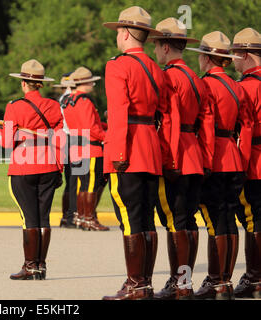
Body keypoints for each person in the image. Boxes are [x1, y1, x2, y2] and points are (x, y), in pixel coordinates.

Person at [101, 6, 173, 300]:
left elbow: (118, 112)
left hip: (127, 146)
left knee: (130, 219)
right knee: (146, 219)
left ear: (128, 33)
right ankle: (144, 282)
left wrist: (117, 151)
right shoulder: (157, 68)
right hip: (150, 147)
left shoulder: (117, 65)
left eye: (119, 30)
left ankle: (136, 285)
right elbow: (164, 113)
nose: (117, 35)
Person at [150, 17, 215, 299]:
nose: (154, 51)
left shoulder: (167, 77)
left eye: (156, 45)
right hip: (195, 154)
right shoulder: (198, 81)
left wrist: (169, 159)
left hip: (176, 153)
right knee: (188, 222)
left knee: (175, 222)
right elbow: (207, 123)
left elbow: (170, 121)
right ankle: (184, 281)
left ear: (165, 47)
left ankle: (180, 284)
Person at [186, 31, 254, 299]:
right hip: (234, 157)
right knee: (228, 221)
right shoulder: (238, 87)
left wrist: (205, 160)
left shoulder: (204, 85)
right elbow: (246, 128)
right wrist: (244, 160)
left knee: (214, 221)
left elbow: (205, 127)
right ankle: (224, 281)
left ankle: (217, 281)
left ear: (205, 58)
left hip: (214, 157)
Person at [0, 59, 64, 280]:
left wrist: (0, 131)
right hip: (49, 165)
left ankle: (30, 266)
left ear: (24, 83)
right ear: (40, 84)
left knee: (29, 219)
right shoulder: (53, 106)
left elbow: (5, 143)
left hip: (24, 168)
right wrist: (60, 166)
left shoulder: (14, 106)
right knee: (43, 218)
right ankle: (41, 266)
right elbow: (61, 139)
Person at [231, 27, 261, 299]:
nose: (233, 60)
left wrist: (239, 165)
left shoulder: (245, 87)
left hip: (254, 160)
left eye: (235, 54)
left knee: (253, 221)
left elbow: (245, 130)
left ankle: (254, 277)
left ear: (245, 55)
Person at [62, 66, 109, 231]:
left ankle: (80, 216)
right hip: (90, 148)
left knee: (82, 184)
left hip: (76, 146)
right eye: (91, 82)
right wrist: (108, 137)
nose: (93, 86)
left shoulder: (68, 101)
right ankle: (88, 218)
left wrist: (105, 127)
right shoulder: (85, 100)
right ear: (85, 83)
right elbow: (92, 128)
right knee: (91, 185)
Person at [53, 73, 78, 228]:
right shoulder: (71, 99)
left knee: (70, 181)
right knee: (75, 181)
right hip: (73, 139)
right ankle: (71, 216)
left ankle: (66, 216)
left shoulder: (61, 100)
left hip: (65, 140)